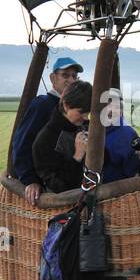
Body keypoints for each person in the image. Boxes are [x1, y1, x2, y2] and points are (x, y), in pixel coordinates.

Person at [11, 56, 83, 205]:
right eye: (65, 75)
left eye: (74, 76)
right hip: (48, 183)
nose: (71, 80)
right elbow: (22, 143)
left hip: (66, 179)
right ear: (52, 78)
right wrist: (30, 180)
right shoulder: (43, 105)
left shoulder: (72, 109)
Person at [31, 81, 92, 193]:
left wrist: (95, 148)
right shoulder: (45, 140)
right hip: (67, 206)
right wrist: (77, 156)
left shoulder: (86, 126)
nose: (85, 117)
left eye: (88, 112)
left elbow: (104, 164)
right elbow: (58, 186)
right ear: (66, 105)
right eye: (81, 112)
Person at [100, 89, 140, 184]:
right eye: (106, 105)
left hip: (116, 191)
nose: (111, 110)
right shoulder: (91, 128)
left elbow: (133, 172)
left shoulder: (128, 134)